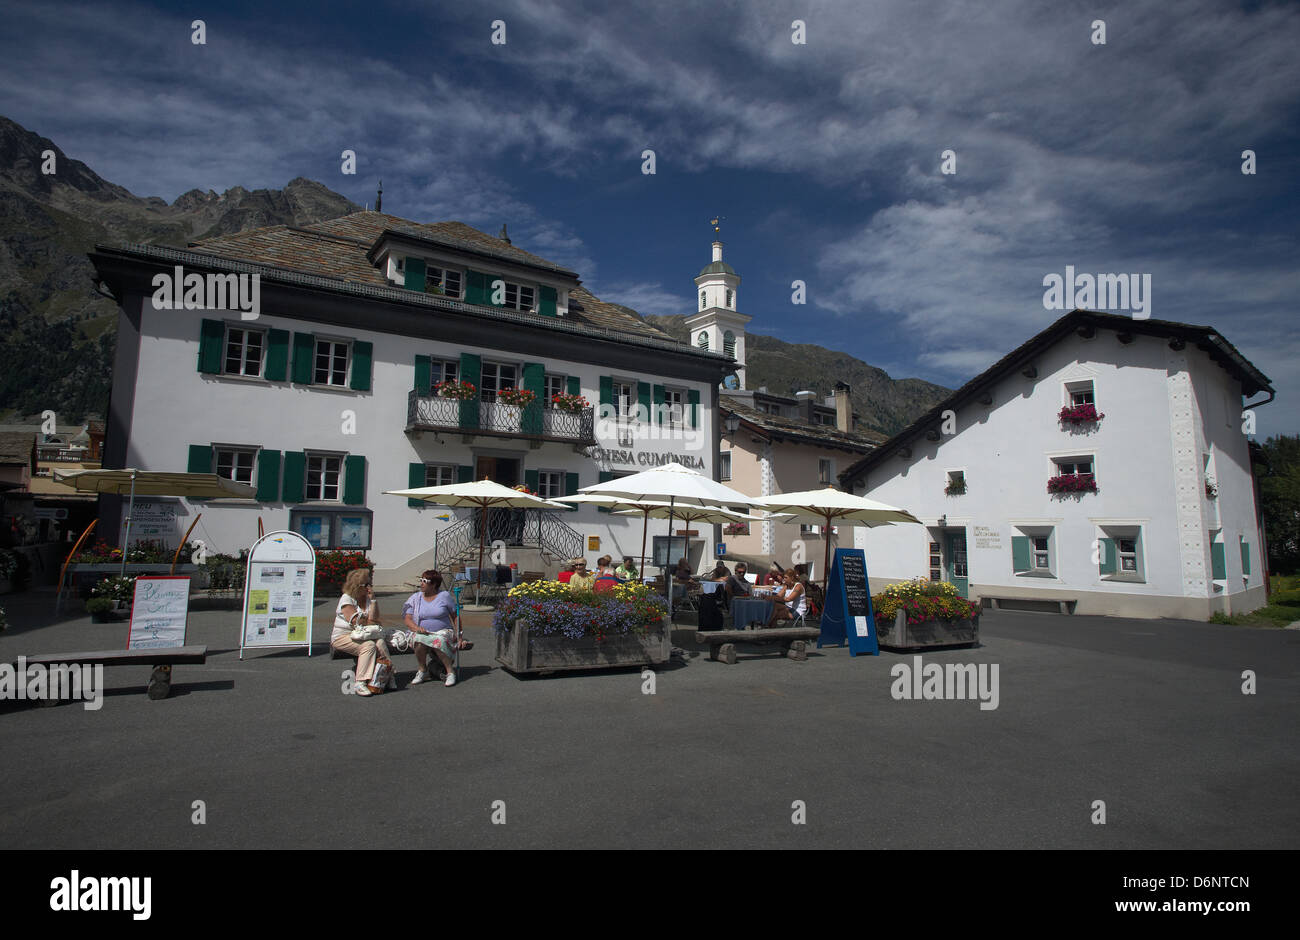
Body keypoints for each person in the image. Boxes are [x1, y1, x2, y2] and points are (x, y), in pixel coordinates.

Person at [332, 568, 391, 696]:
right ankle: (360, 682)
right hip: (343, 636)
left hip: (363, 635)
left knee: (380, 642)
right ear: (358, 586)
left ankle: (388, 675)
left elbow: (373, 618)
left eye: (370, 584)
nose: (370, 588)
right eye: (367, 585)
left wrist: (374, 600)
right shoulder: (346, 599)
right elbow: (357, 622)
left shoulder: (368, 598)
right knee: (368, 646)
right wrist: (371, 621)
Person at [403, 569, 460, 687]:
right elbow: (407, 619)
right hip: (422, 632)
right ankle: (422, 670)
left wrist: (459, 635)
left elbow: (455, 616)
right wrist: (417, 628)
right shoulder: (415, 598)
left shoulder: (444, 596)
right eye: (421, 580)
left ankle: (450, 672)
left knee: (438, 640)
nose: (421, 583)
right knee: (418, 640)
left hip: (443, 631)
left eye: (425, 581)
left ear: (434, 584)